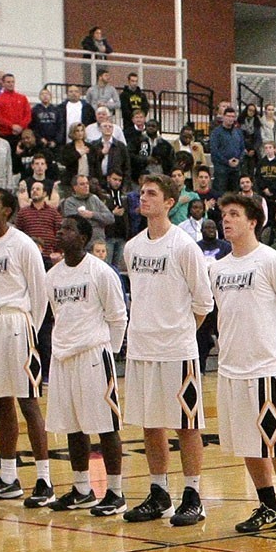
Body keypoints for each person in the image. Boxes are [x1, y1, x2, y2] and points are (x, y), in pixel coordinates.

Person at [211, 193, 276, 541]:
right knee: (247, 443)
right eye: (224, 214)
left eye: (234, 214)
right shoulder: (218, 268)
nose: (226, 220)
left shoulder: (272, 262)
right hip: (231, 368)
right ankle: (268, 507)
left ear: (253, 222)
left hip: (266, 368)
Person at [119, 174, 214, 526]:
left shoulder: (184, 246)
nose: (143, 198)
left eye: (151, 194)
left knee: (186, 424)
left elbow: (203, 302)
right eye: (142, 192)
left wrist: (179, 332)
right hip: (142, 348)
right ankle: (159, 492)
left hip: (177, 348)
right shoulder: (132, 247)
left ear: (169, 203)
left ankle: (193, 494)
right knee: (149, 423)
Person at [0, 187, 54, 504]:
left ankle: (44, 479)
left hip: (16, 323)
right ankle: (8, 477)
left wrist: (29, 328)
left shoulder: (23, 245)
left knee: (28, 403)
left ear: (6, 210)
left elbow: (40, 294)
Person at [41, 214, 130, 516]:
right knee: (72, 425)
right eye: (60, 228)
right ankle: (82, 489)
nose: (60, 233)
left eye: (67, 229)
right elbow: (55, 314)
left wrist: (109, 352)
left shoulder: (101, 272)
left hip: (94, 355)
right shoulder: (52, 276)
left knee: (106, 425)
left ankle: (116, 492)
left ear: (82, 238)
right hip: (63, 356)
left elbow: (118, 316)